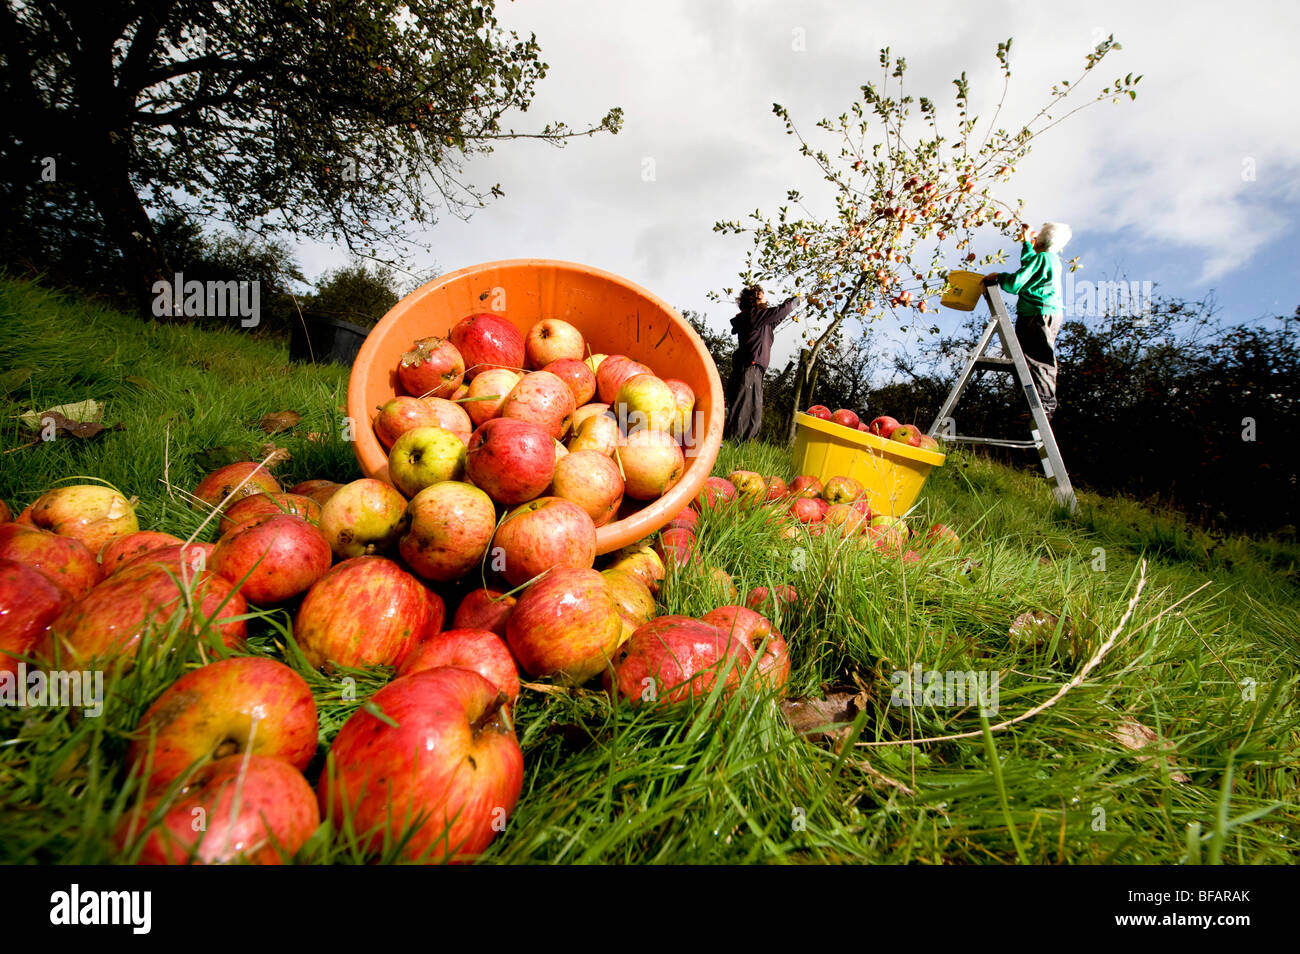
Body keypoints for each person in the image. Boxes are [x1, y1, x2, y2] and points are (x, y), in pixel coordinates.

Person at [985, 221, 1072, 420]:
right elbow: (1030, 266)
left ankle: (1044, 406)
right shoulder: (1048, 259)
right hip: (1042, 313)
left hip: (1037, 314)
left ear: (1041, 241)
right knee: (1029, 359)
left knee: (1039, 359)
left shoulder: (1043, 258)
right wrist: (1026, 243)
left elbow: (1016, 284)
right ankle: (1034, 403)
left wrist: (1000, 276)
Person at [724, 284, 799, 441]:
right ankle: (732, 440)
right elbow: (779, 311)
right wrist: (795, 302)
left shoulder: (762, 320)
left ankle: (746, 444)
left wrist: (788, 306)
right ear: (754, 299)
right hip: (749, 366)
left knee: (755, 410)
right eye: (762, 294)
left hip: (756, 369)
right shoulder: (753, 315)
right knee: (743, 408)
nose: (766, 297)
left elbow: (778, 316)